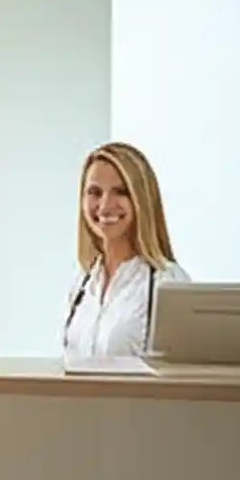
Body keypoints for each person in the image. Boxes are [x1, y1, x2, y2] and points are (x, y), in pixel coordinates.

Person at [63, 141, 190, 358]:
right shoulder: (84, 283)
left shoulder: (168, 283)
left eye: (120, 192)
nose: (104, 205)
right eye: (94, 192)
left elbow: (181, 381)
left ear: (142, 199)